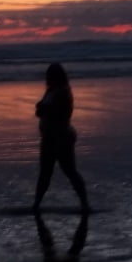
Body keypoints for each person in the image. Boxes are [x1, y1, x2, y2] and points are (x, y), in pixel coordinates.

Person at [33, 62, 89, 214]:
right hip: (48, 137)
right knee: (45, 173)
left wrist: (42, 108)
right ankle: (36, 204)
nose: (48, 77)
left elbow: (53, 111)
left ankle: (84, 203)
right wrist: (42, 108)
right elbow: (40, 111)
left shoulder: (63, 91)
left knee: (69, 171)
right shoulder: (51, 91)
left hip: (61, 137)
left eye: (50, 75)